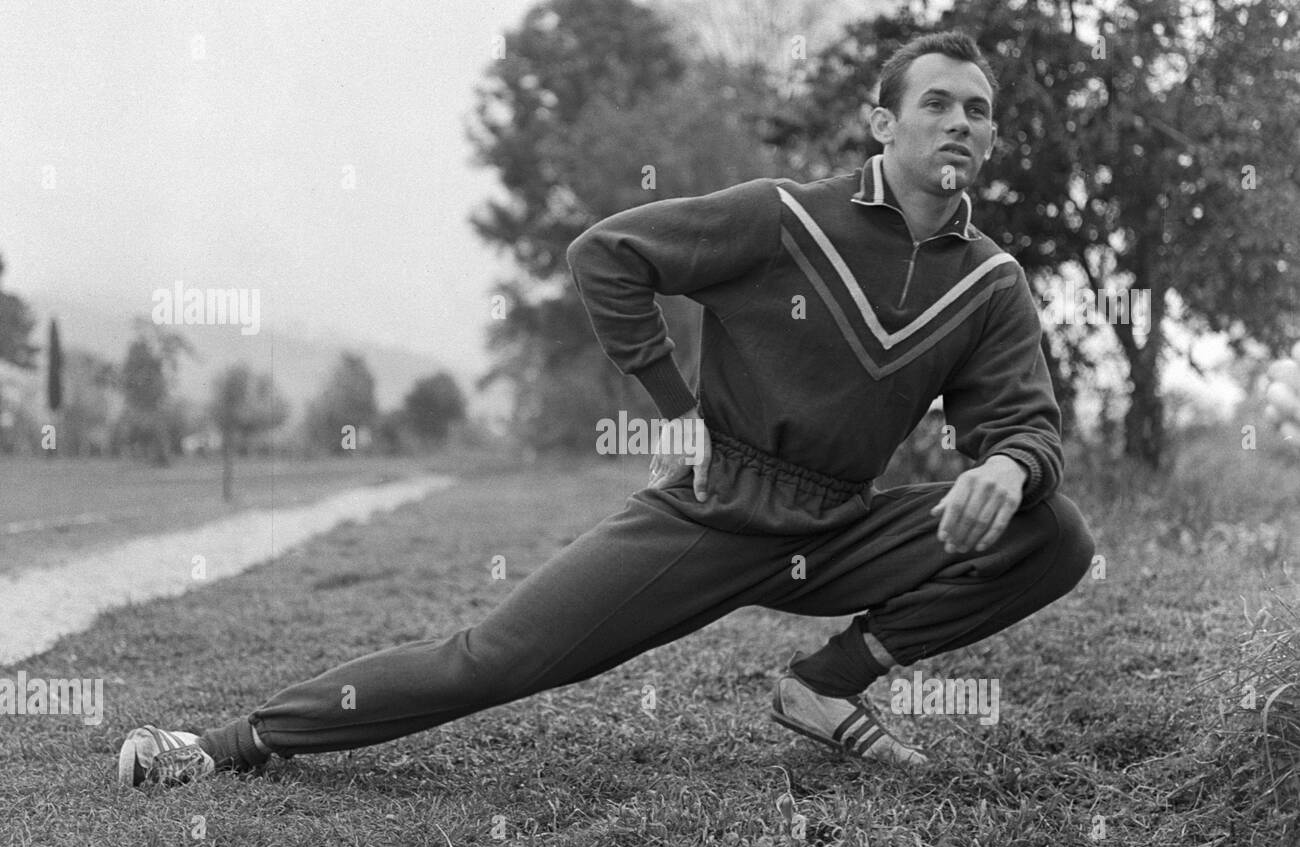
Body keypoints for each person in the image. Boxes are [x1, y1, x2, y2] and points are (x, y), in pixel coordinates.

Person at [120, 30, 1099, 788]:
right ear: (883, 123)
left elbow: (1026, 423)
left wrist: (1006, 465)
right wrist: (675, 406)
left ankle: (828, 679)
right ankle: (222, 744)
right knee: (490, 661)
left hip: (842, 524)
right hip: (714, 512)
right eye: (937, 102)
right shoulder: (784, 217)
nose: (962, 121)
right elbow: (608, 255)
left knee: (1051, 532)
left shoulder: (990, 285)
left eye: (978, 109)